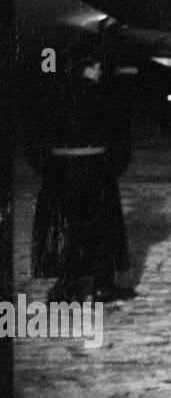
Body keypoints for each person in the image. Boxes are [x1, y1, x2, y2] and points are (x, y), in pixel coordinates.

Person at [31, 57, 135, 303]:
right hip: (96, 170)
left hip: (61, 172)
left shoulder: (54, 95)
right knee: (101, 230)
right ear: (83, 68)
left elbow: (35, 136)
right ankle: (102, 285)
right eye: (94, 66)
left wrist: (47, 170)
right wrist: (112, 170)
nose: (99, 70)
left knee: (66, 229)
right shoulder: (104, 95)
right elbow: (120, 136)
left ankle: (67, 285)